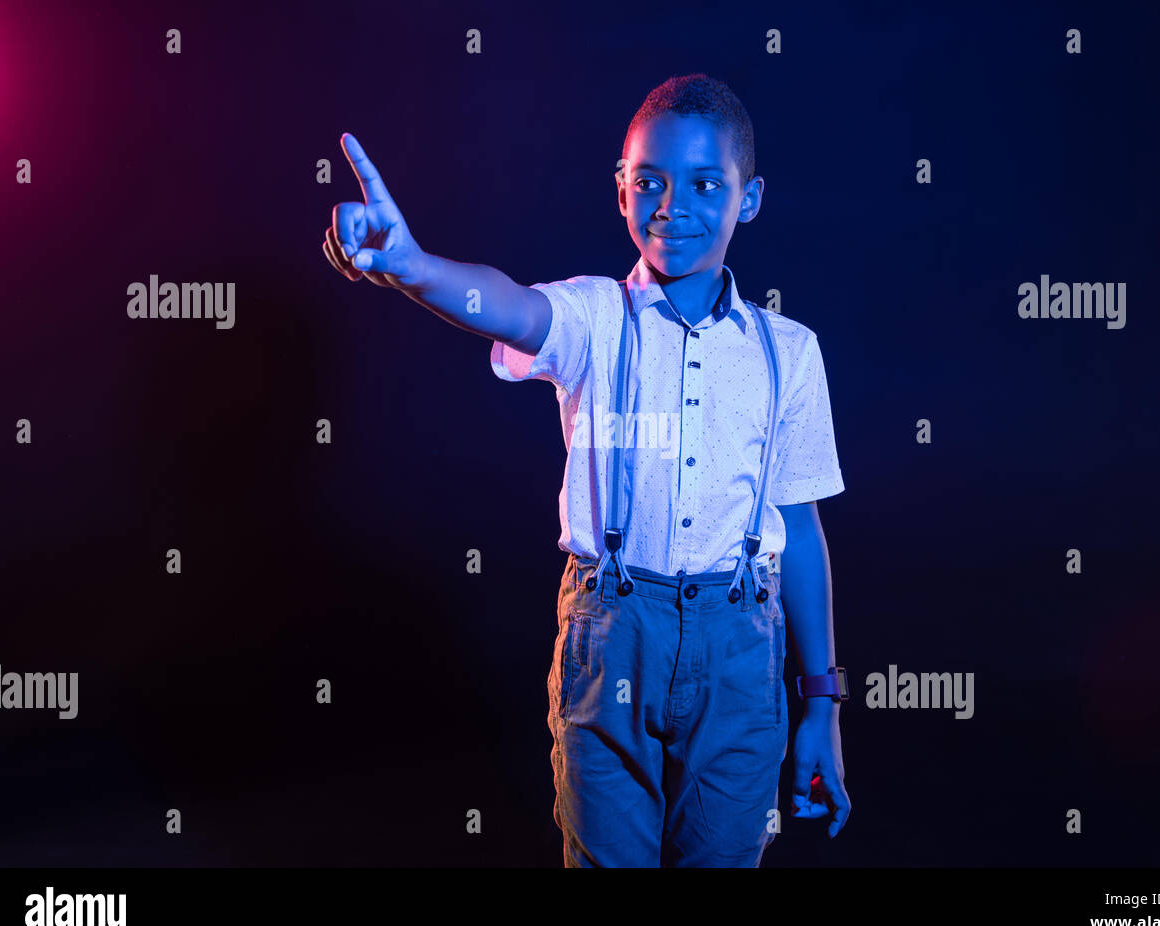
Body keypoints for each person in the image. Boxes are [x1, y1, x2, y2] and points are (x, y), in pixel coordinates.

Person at [322, 73, 852, 867]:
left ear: (750, 197)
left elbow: (802, 536)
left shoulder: (790, 351)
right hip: (611, 639)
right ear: (621, 191)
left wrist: (822, 704)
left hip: (740, 653)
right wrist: (412, 265)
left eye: (707, 184)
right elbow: (505, 305)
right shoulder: (594, 316)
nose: (674, 205)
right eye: (650, 182)